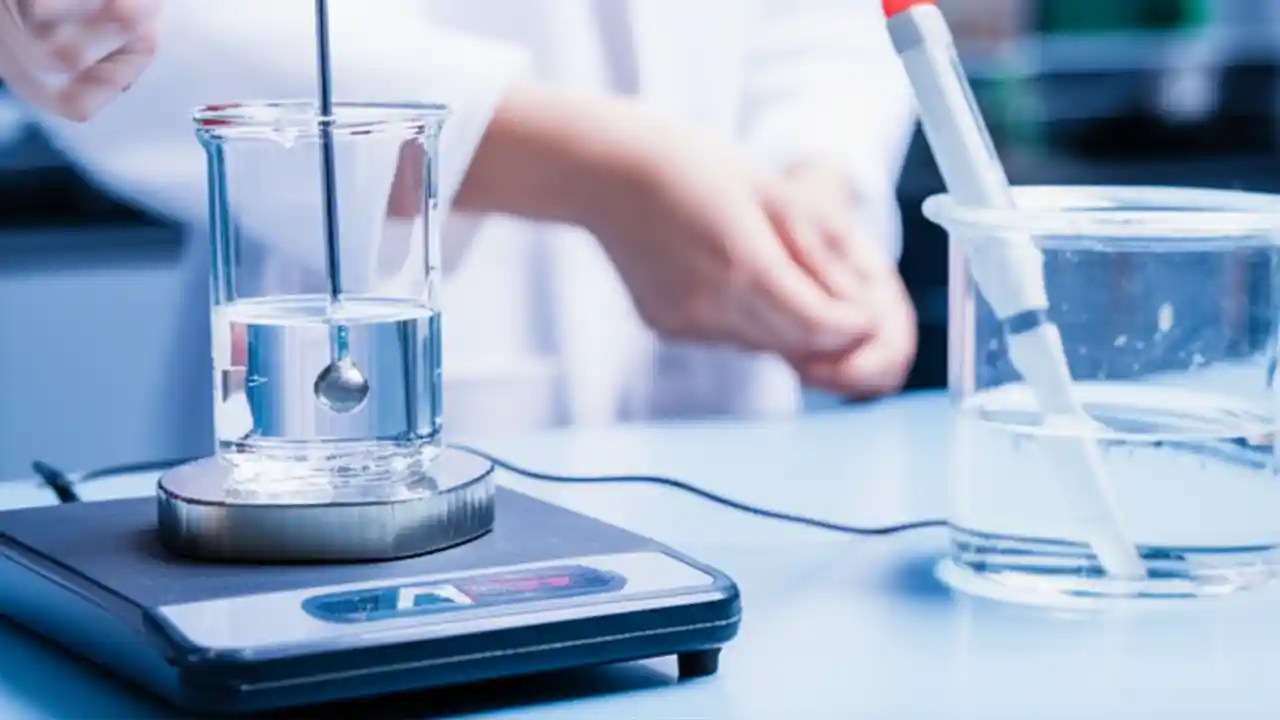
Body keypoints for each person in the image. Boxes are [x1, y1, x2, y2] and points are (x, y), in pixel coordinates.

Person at [14, 0, 918, 435]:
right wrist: (600, 169)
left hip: (739, 430)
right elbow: (145, 33)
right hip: (347, 401)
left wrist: (816, 191)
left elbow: (817, 28)